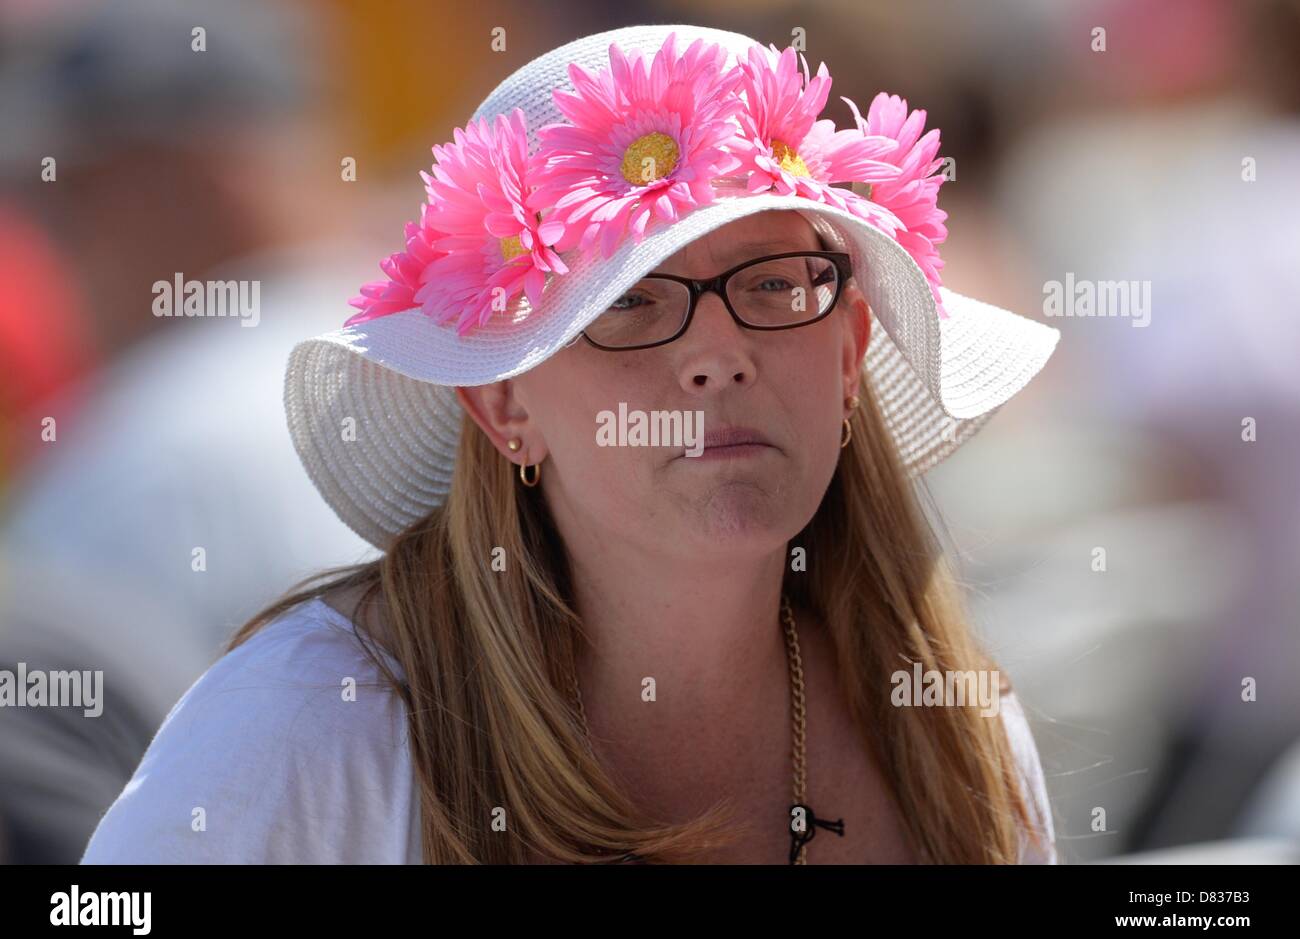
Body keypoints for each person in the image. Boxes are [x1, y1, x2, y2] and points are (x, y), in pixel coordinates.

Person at [80, 24, 1061, 865]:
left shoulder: (952, 731)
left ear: (847, 357)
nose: (717, 356)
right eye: (630, 302)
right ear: (502, 404)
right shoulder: (316, 719)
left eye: (771, 284)